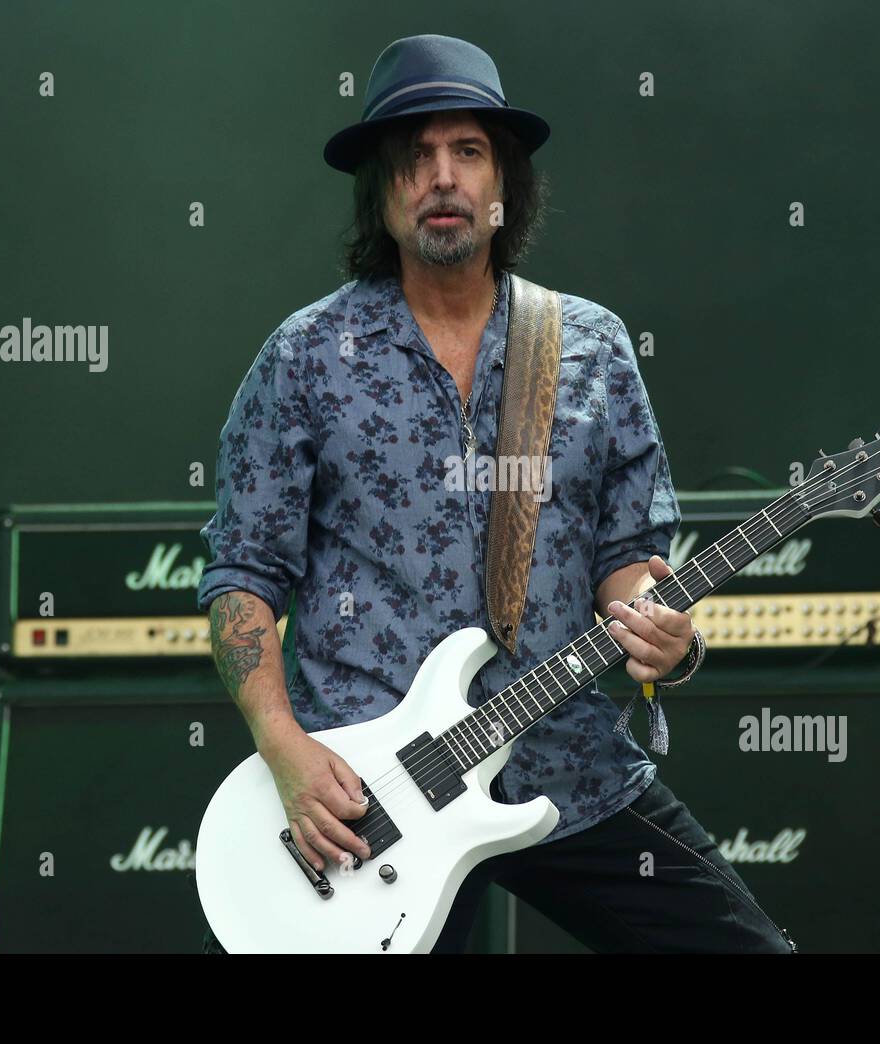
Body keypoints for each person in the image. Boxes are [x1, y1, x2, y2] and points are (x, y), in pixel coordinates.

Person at [195, 34, 794, 954]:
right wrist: (284, 749)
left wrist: (662, 637)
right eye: (416, 155)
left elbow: (629, 560)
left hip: (572, 767)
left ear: (503, 182)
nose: (443, 177)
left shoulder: (589, 347)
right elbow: (242, 575)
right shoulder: (306, 357)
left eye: (467, 152)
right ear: (383, 189)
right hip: (366, 806)